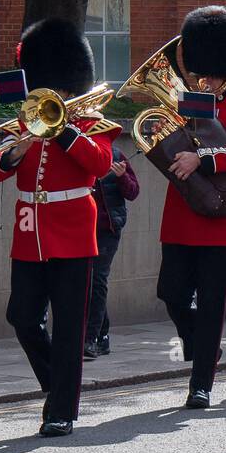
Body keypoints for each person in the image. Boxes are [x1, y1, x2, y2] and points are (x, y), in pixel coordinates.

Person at [0, 19, 120, 436]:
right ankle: (58, 386)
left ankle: (61, 408)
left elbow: (99, 165)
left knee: (69, 328)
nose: (52, 96)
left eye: (58, 89)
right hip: (30, 234)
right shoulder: (23, 122)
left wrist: (64, 132)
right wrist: (12, 154)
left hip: (75, 234)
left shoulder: (92, 122)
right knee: (22, 317)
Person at [157, 6, 226, 409]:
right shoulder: (178, 107)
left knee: (213, 303)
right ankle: (202, 347)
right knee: (171, 293)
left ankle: (201, 382)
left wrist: (203, 159)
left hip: (220, 218)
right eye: (201, 71)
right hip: (181, 216)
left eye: (214, 73)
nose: (206, 79)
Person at [85, 146, 139, 360]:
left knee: (97, 280)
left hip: (106, 229)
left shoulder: (117, 155)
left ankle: (91, 338)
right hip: (81, 228)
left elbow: (133, 192)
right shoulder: (79, 152)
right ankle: (103, 335)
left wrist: (122, 176)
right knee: (87, 282)